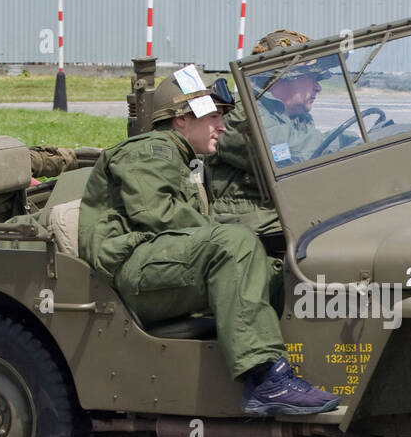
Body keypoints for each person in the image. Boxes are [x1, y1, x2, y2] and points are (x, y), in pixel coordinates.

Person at [77, 65, 338, 416]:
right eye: (212, 116)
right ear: (181, 121)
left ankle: (288, 368)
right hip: (131, 268)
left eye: (222, 117)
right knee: (236, 243)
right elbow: (159, 215)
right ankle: (266, 378)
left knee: (275, 270)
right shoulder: (151, 148)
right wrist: (225, 237)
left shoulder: (180, 158)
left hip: (156, 266)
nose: (221, 126)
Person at [208, 29, 333, 236]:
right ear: (282, 77)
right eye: (311, 77)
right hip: (254, 224)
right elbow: (293, 155)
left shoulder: (297, 116)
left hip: (285, 212)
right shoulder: (242, 113)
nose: (318, 87)